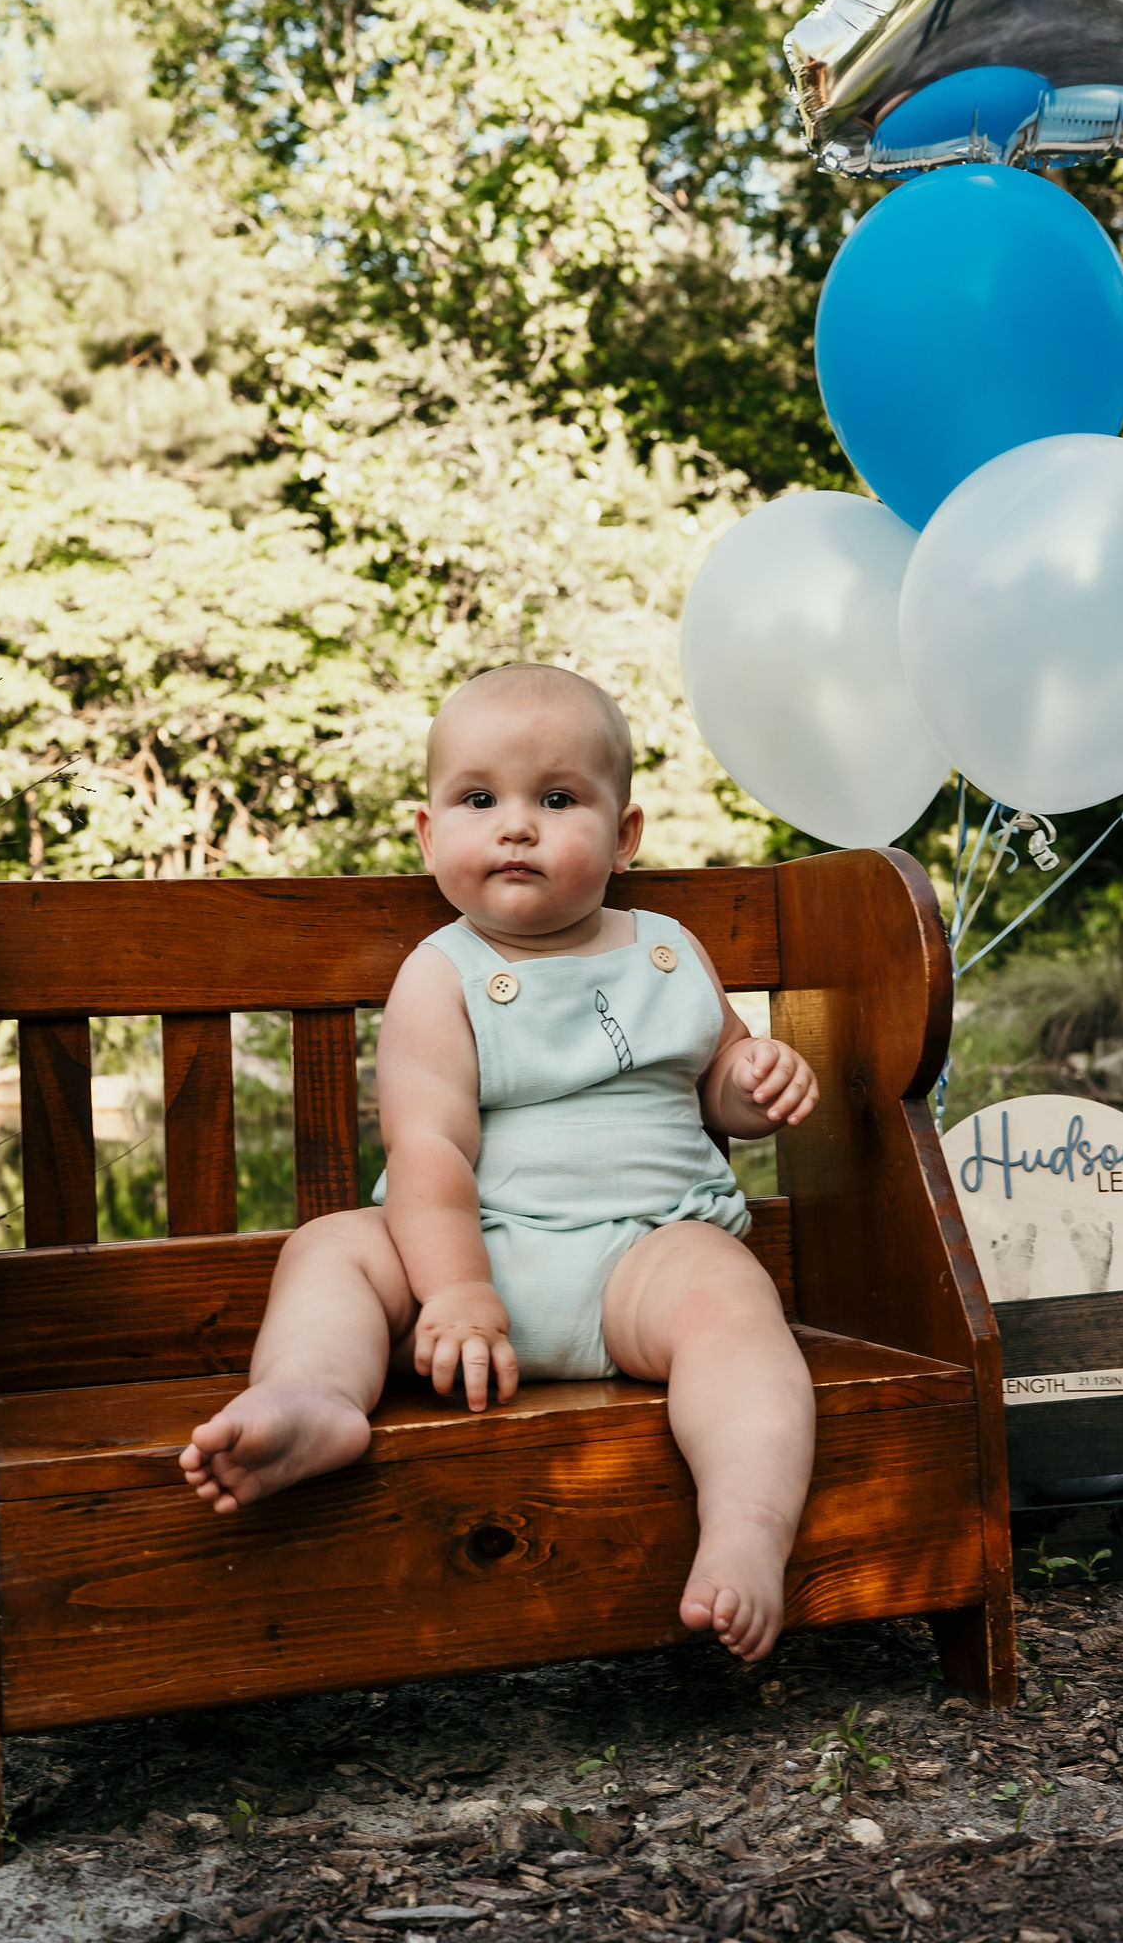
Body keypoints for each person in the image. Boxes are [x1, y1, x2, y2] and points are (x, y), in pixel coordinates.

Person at [179, 663, 820, 1660]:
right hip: (464, 1262)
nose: (516, 825)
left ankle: (744, 1526)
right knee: (334, 1249)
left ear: (624, 834)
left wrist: (754, 1077)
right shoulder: (443, 973)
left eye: (556, 799)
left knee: (736, 1305)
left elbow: (715, 1083)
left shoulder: (668, 949)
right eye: (481, 800)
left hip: (643, 1260)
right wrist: (458, 1291)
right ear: (431, 833)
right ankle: (314, 1394)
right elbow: (428, 1143)